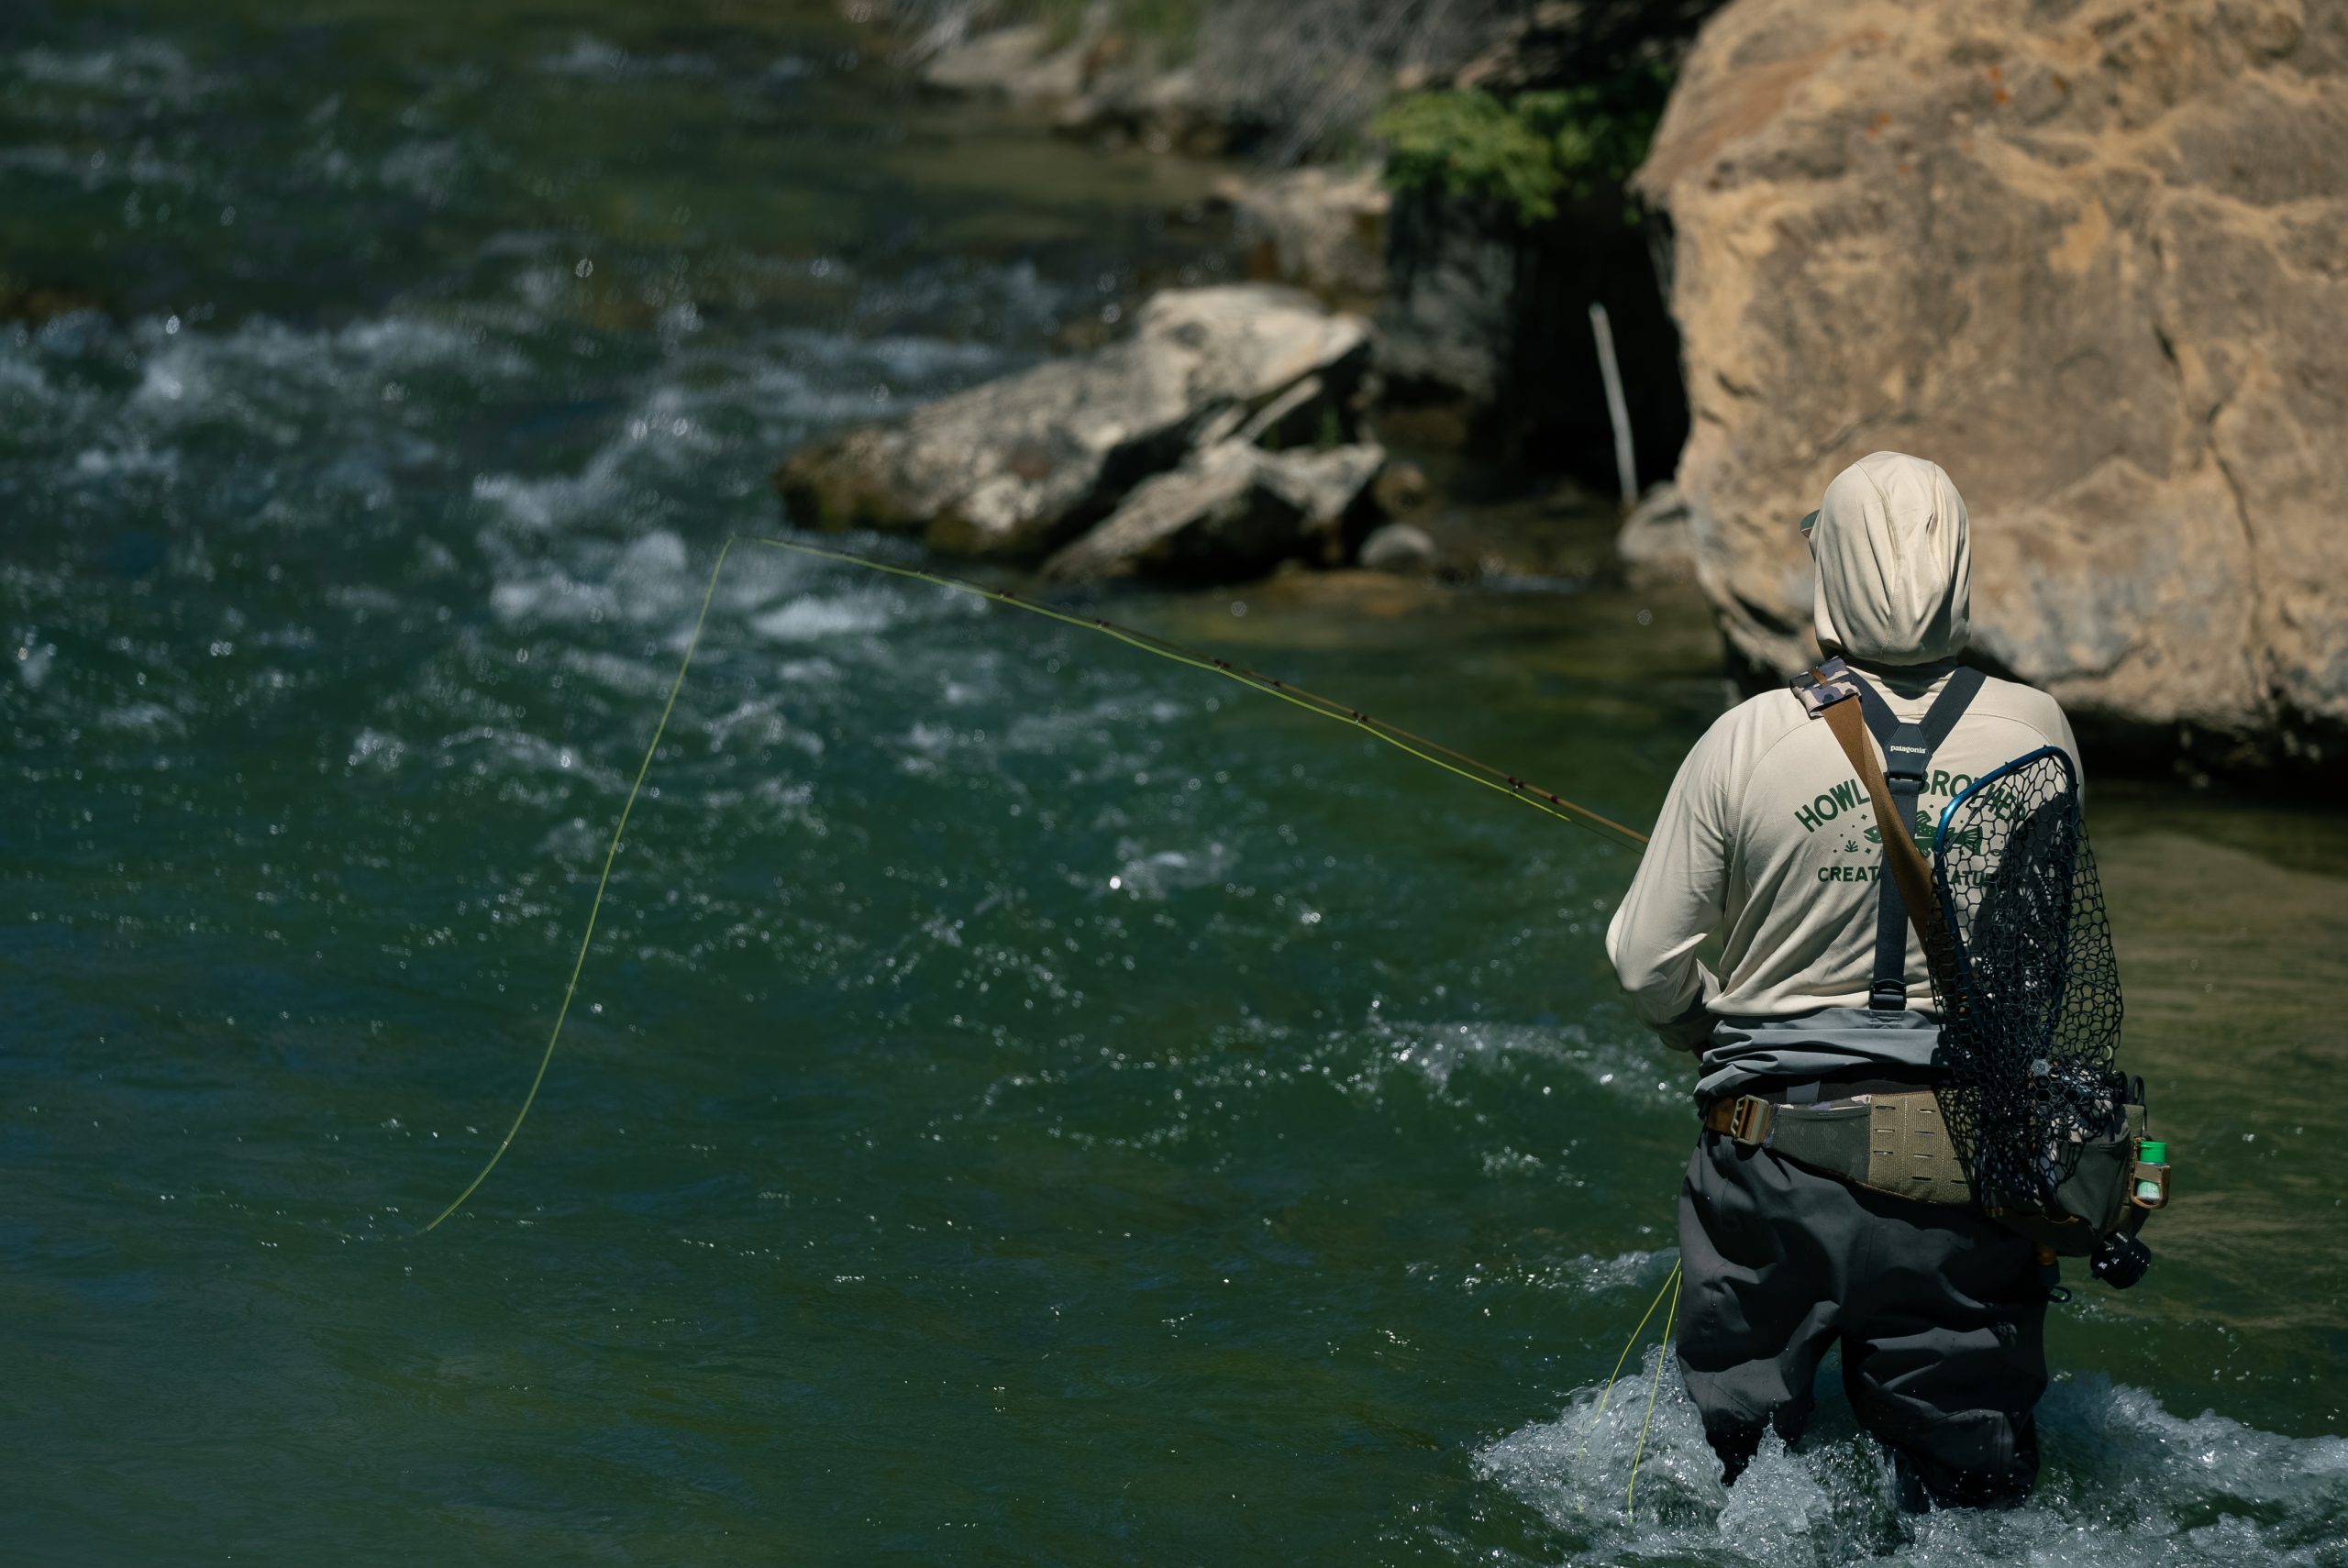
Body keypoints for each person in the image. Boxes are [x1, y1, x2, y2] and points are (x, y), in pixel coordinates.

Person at [1604, 450, 2080, 1510]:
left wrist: (1697, 1027)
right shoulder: (2040, 731)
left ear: (1829, 572)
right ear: (1958, 564)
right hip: (1963, 1171)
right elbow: (2042, 958)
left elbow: (1643, 961)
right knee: (1969, 1495)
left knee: (1729, 1479)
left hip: (1771, 1163)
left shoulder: (1745, 739)